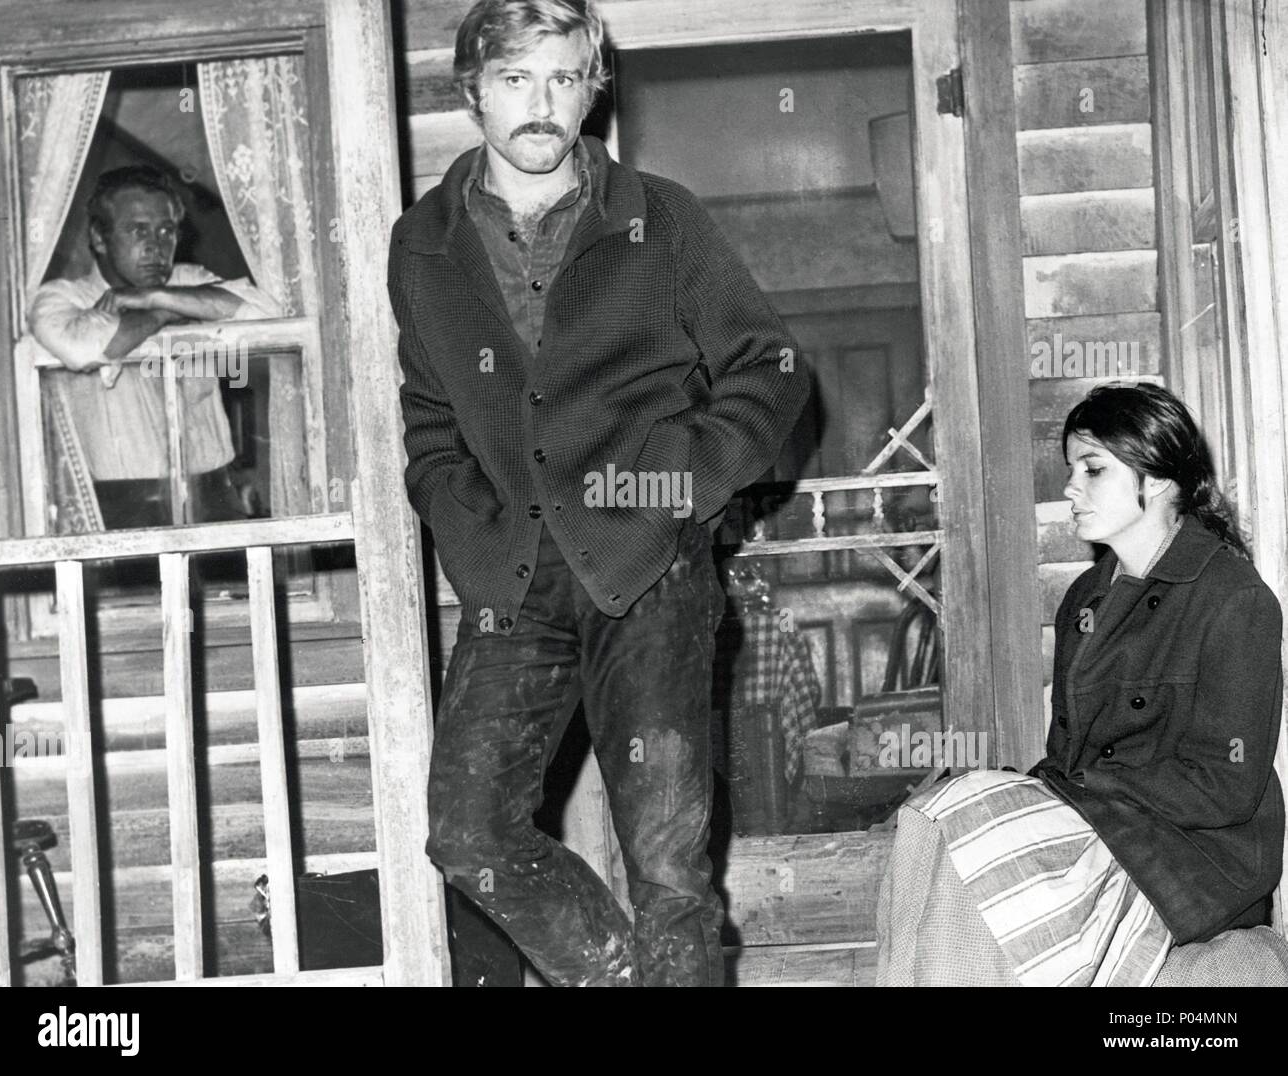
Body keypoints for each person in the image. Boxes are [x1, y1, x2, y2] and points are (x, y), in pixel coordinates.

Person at [388, 0, 808, 986]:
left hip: (648, 572)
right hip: (514, 576)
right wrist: (461, 520)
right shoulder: (422, 244)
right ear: (471, 94)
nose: (543, 104)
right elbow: (429, 418)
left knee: (667, 866)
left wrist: (680, 483)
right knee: (467, 834)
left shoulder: (659, 217)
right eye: (515, 79)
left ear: (593, 89)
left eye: (566, 78)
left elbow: (773, 367)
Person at [877, 382, 1285, 986]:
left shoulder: (1234, 599)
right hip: (1101, 826)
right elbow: (1064, 756)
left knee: (971, 837)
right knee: (935, 816)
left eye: (1093, 469)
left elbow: (1225, 787)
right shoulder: (1084, 599)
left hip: (1190, 860)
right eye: (1072, 469)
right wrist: (1054, 796)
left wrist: (1076, 794)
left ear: (1161, 480)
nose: (1071, 487)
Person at [28, 165, 283, 529]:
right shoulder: (62, 298)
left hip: (213, 496)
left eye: (167, 231)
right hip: (117, 509)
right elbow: (82, 347)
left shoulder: (189, 282)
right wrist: (165, 311)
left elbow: (268, 315)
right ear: (99, 238)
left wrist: (154, 297)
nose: (156, 246)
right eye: (138, 230)